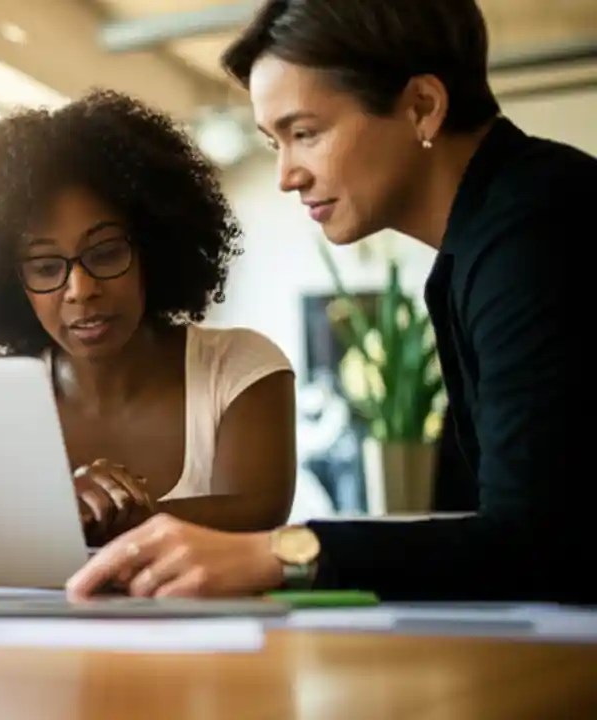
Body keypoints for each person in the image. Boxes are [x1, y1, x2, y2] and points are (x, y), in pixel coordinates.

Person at [67, 0, 593, 602]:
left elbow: (539, 540)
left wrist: (279, 554)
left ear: (422, 106)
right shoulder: (490, 237)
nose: (287, 175)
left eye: (305, 133)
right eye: (274, 142)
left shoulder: (536, 230)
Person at [0, 89, 297, 547]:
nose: (81, 289)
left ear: (154, 249)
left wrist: (87, 516)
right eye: (45, 267)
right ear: (10, 282)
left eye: (105, 254)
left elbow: (256, 518)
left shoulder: (239, 367)